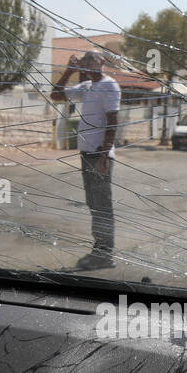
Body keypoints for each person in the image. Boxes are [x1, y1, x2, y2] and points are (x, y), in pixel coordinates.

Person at [54, 50, 120, 270]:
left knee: (102, 205)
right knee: (94, 204)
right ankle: (100, 250)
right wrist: (69, 72)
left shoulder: (109, 85)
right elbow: (56, 95)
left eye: (92, 60)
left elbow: (113, 121)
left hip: (100, 154)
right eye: (86, 61)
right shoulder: (87, 87)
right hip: (87, 154)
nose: (89, 64)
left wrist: (104, 155)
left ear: (102, 62)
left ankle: (103, 254)